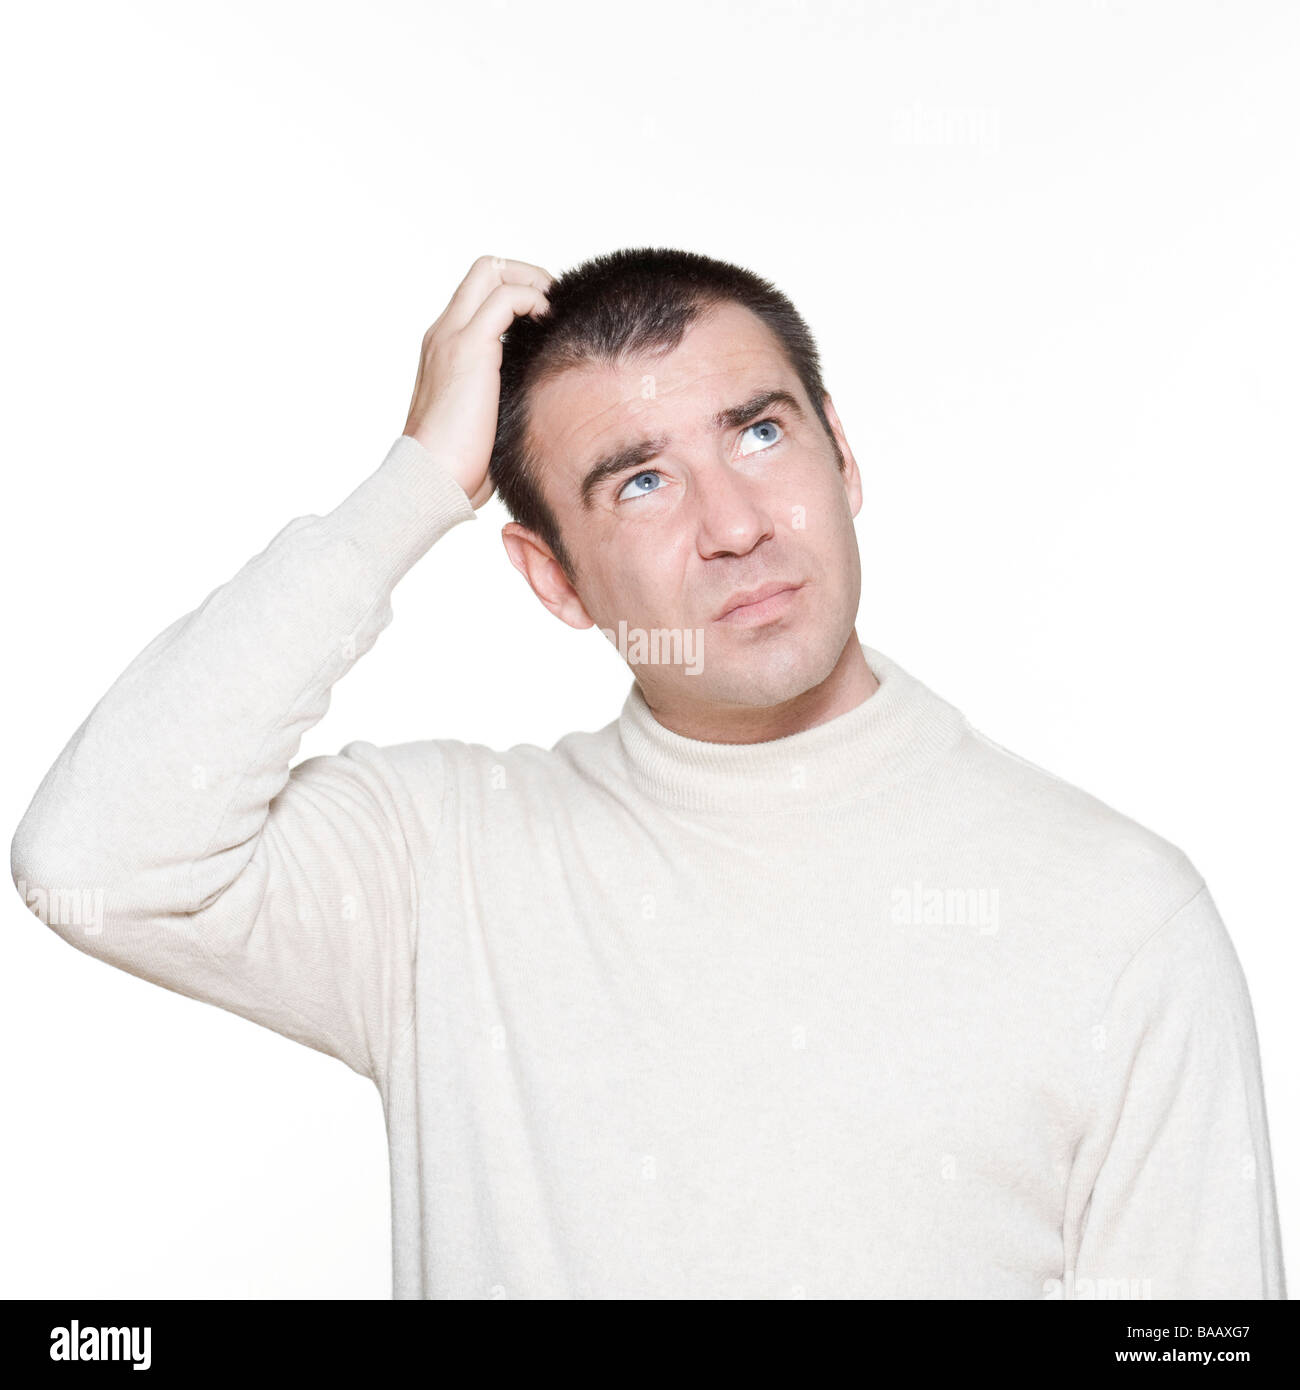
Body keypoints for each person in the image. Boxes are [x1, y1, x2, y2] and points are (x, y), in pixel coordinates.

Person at [11, 248, 1286, 1300]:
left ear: (842, 455)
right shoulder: (439, 865)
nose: (734, 525)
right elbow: (99, 862)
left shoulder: (1116, 914)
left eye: (760, 430)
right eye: (641, 480)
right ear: (550, 576)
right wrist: (409, 487)